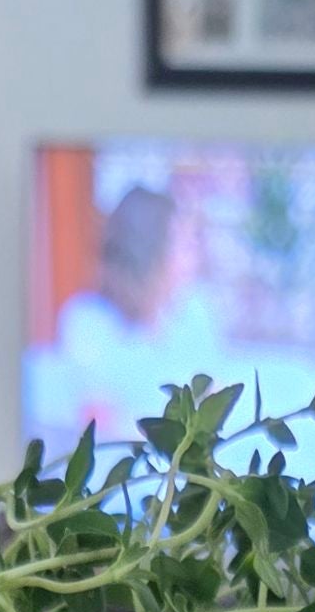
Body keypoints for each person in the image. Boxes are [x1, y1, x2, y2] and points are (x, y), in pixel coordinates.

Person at [37, 185, 221, 456]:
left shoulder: (195, 313)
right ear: (149, 251)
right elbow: (99, 427)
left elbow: (212, 407)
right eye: (183, 243)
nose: (195, 256)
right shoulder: (87, 320)